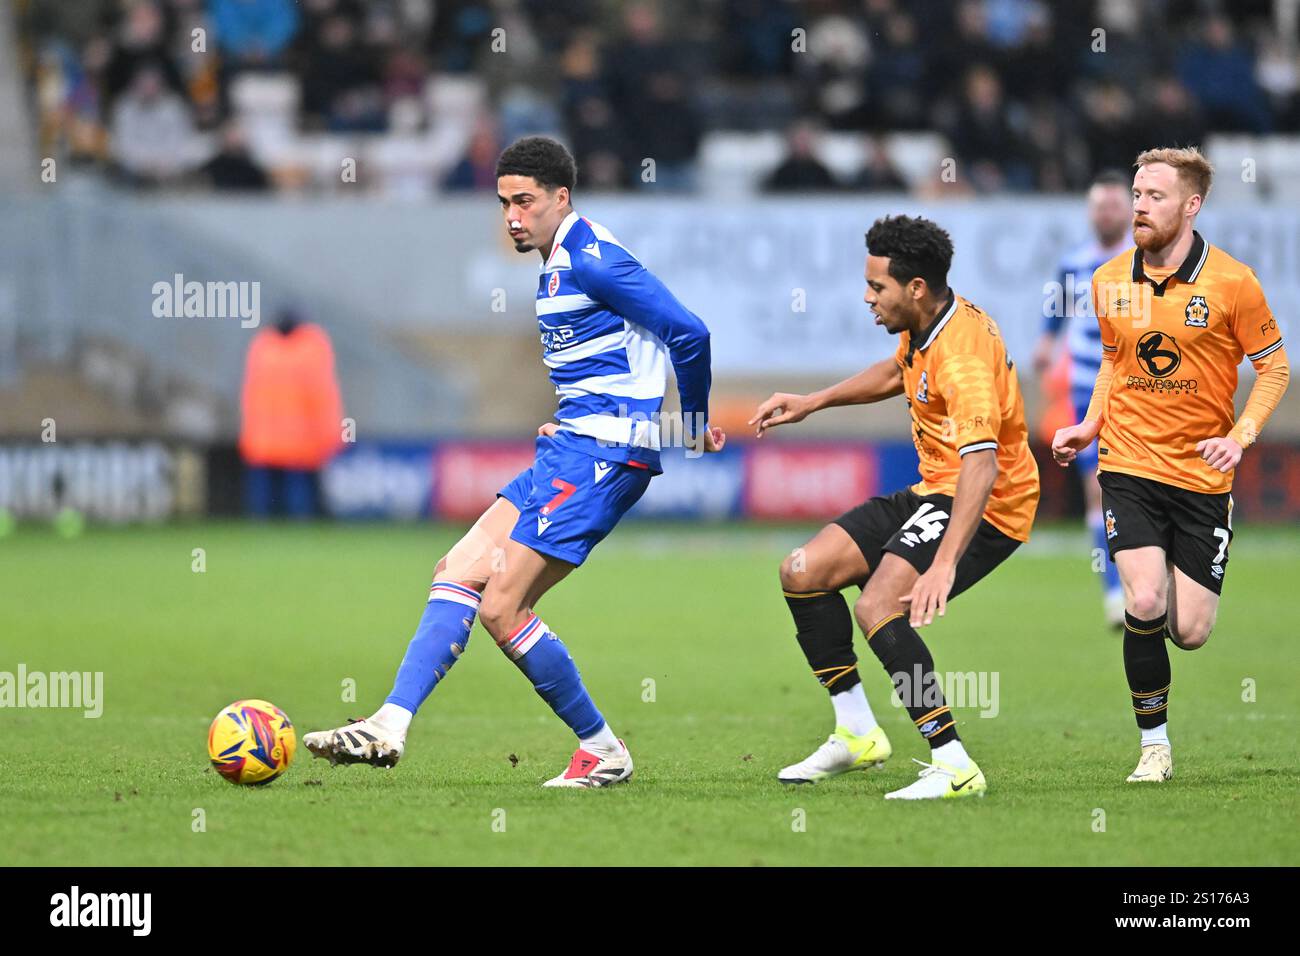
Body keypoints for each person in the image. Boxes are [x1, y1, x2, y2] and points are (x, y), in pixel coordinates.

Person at [306, 137, 724, 788]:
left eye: (525, 202)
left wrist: (692, 426)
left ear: (562, 197)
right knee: (460, 567)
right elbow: (614, 356)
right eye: (503, 203)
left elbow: (688, 332)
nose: (512, 217)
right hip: (576, 443)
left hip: (603, 456)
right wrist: (582, 413)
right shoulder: (558, 259)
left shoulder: (593, 259)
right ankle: (390, 723)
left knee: (502, 606)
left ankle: (603, 750)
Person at [751, 215, 1040, 800]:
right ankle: (858, 732)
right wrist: (813, 401)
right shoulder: (928, 324)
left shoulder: (963, 359)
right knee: (803, 572)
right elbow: (898, 371)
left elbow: (982, 467)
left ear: (914, 289)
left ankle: (954, 763)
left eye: (876, 287)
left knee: (880, 604)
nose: (867, 297)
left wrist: (944, 564)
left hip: (986, 504)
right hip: (935, 486)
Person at [1052, 147, 1289, 783]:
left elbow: (1274, 367)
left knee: (1190, 630)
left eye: (1155, 196)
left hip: (1204, 477)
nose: (1139, 205)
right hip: (1126, 464)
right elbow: (1113, 361)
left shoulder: (1232, 283)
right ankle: (1154, 746)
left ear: (1191, 206)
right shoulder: (1108, 281)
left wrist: (1239, 437)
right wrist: (1089, 426)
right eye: (1136, 193)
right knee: (1146, 597)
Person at [1031, 170, 1131, 626]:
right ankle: (1115, 595)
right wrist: (1046, 345)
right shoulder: (1074, 263)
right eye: (1099, 206)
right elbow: (1054, 316)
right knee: (1098, 490)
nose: (1106, 213)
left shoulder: (1145, 259)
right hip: (1086, 389)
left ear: (1128, 211)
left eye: (1113, 205)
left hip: (1137, 390)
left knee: (1141, 486)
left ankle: (1152, 582)